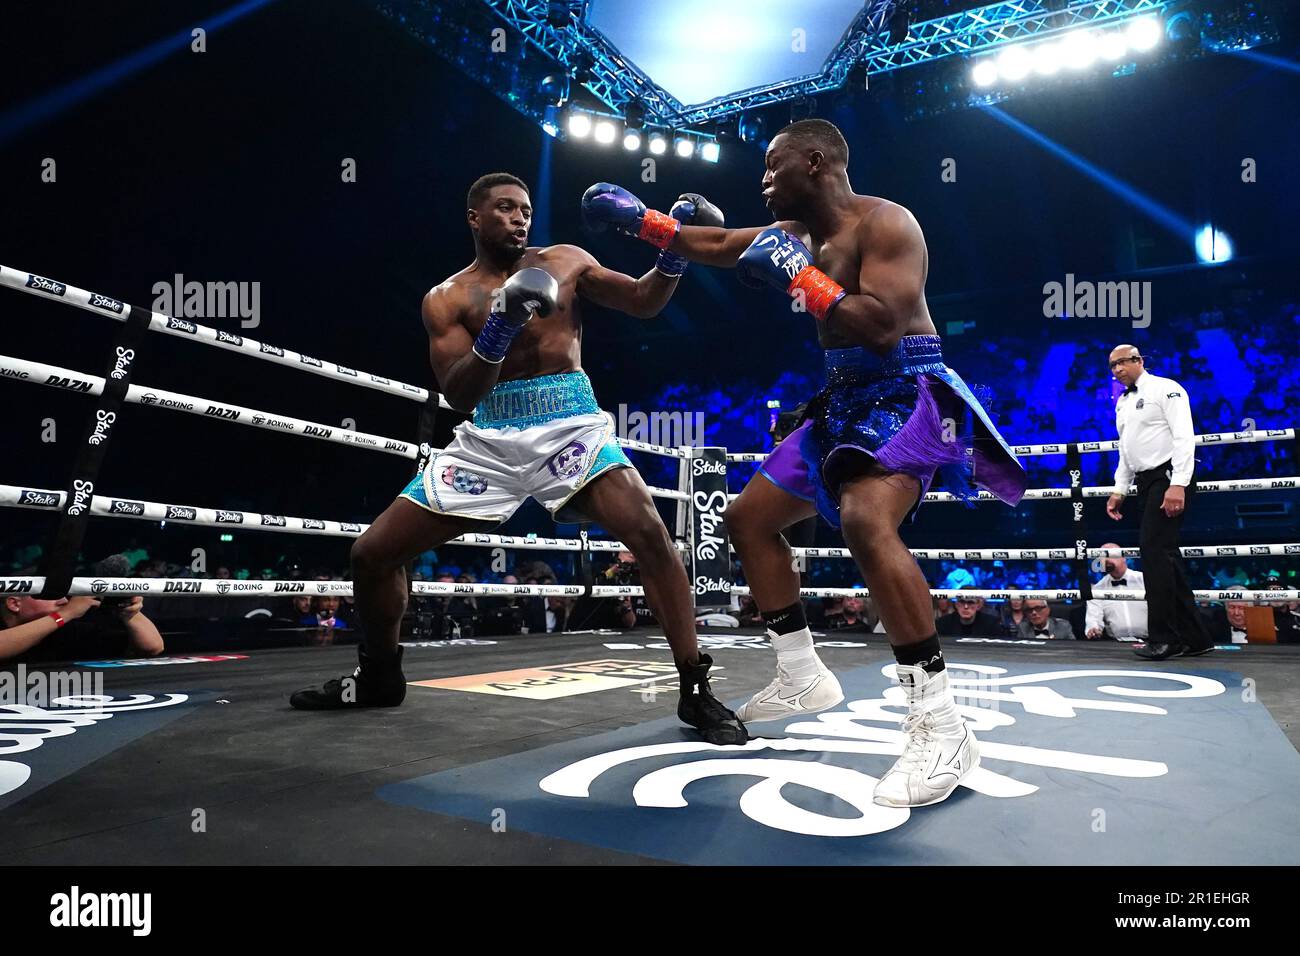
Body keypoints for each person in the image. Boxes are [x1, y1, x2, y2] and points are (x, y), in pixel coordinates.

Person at [587, 119, 1027, 807]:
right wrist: (640, 221)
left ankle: (941, 721)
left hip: (910, 389)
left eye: (771, 167)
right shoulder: (790, 234)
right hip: (843, 394)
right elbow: (712, 242)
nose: (762, 182)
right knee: (748, 519)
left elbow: (882, 326)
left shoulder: (888, 224)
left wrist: (806, 280)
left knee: (864, 518)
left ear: (815, 161)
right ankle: (800, 668)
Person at [289, 172, 745, 746]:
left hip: (570, 423)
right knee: (372, 554)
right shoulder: (447, 299)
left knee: (650, 533)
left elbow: (643, 301)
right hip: (491, 437)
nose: (519, 218)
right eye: (505, 208)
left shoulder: (567, 260)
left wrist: (674, 251)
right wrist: (500, 328)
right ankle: (379, 675)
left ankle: (694, 689)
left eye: (526, 209)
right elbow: (459, 394)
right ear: (475, 218)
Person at [1105, 345, 1214, 659]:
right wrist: (1119, 489)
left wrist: (1178, 483)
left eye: (1121, 363)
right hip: (1145, 481)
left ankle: (1163, 637)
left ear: (1138, 361)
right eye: (1112, 366)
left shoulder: (1167, 389)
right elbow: (1127, 450)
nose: (1116, 370)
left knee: (1153, 554)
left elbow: (1183, 436)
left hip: (1168, 477)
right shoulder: (1123, 402)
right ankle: (1196, 637)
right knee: (1165, 557)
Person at [1, 591, 164, 663]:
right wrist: (64, 614)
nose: (63, 601)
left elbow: (153, 647)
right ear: (15, 603)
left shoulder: (71, 631)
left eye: (64, 594)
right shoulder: (64, 616)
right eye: (50, 595)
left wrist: (130, 613)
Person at [1083, 542, 1147, 642]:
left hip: (1150, 641)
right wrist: (1093, 629)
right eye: (1102, 557)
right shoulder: (1097, 589)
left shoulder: (1145, 580)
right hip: (1115, 644)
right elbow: (1093, 617)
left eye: (1110, 555)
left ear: (1124, 558)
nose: (1106, 560)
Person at [936, 590, 1002, 637]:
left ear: (978, 606)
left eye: (970, 602)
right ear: (956, 605)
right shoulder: (943, 623)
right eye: (962, 602)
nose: (966, 607)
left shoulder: (991, 624)